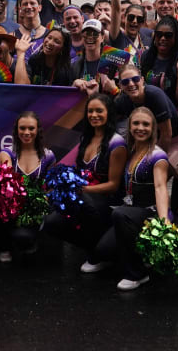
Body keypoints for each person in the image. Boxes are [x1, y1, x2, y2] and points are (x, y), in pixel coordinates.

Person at [45, 94, 127, 272]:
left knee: (85, 203)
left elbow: (113, 185)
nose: (94, 115)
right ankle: (93, 247)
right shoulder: (86, 139)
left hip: (109, 203)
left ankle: (100, 253)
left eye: (99, 111)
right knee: (52, 223)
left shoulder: (117, 143)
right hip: (86, 198)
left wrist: (81, 189)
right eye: (90, 111)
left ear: (109, 113)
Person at [94, 107, 170, 291]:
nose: (140, 128)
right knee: (103, 251)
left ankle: (137, 273)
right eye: (136, 123)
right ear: (129, 127)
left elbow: (160, 188)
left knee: (120, 215)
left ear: (153, 128)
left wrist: (163, 221)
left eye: (146, 124)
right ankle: (135, 255)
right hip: (130, 211)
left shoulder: (157, 156)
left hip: (149, 213)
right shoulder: (132, 150)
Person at [114, 64, 178, 202]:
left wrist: (150, 162)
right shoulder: (123, 101)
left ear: (142, 80)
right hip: (151, 140)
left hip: (176, 138)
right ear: (120, 85)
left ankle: (176, 208)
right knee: (134, 172)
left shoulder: (155, 95)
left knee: (160, 173)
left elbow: (167, 134)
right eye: (125, 82)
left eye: (135, 79)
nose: (131, 84)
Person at [0, 111, 57, 262]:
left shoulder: (48, 156)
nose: (26, 132)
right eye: (22, 128)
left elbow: (52, 188)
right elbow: (6, 168)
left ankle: (32, 237)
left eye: (31, 128)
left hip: (34, 211)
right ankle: (4, 247)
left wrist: (41, 200)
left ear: (38, 130)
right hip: (12, 208)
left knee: (23, 239)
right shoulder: (8, 152)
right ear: (16, 130)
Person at [141, 15, 178, 104]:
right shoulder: (145, 56)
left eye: (168, 35)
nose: (163, 38)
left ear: (175, 38)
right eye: (159, 34)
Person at [70, 19, 119, 96]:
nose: (90, 37)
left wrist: (114, 90)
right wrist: (73, 87)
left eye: (95, 34)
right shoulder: (74, 65)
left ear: (102, 37)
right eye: (86, 34)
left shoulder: (114, 61)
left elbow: (125, 96)